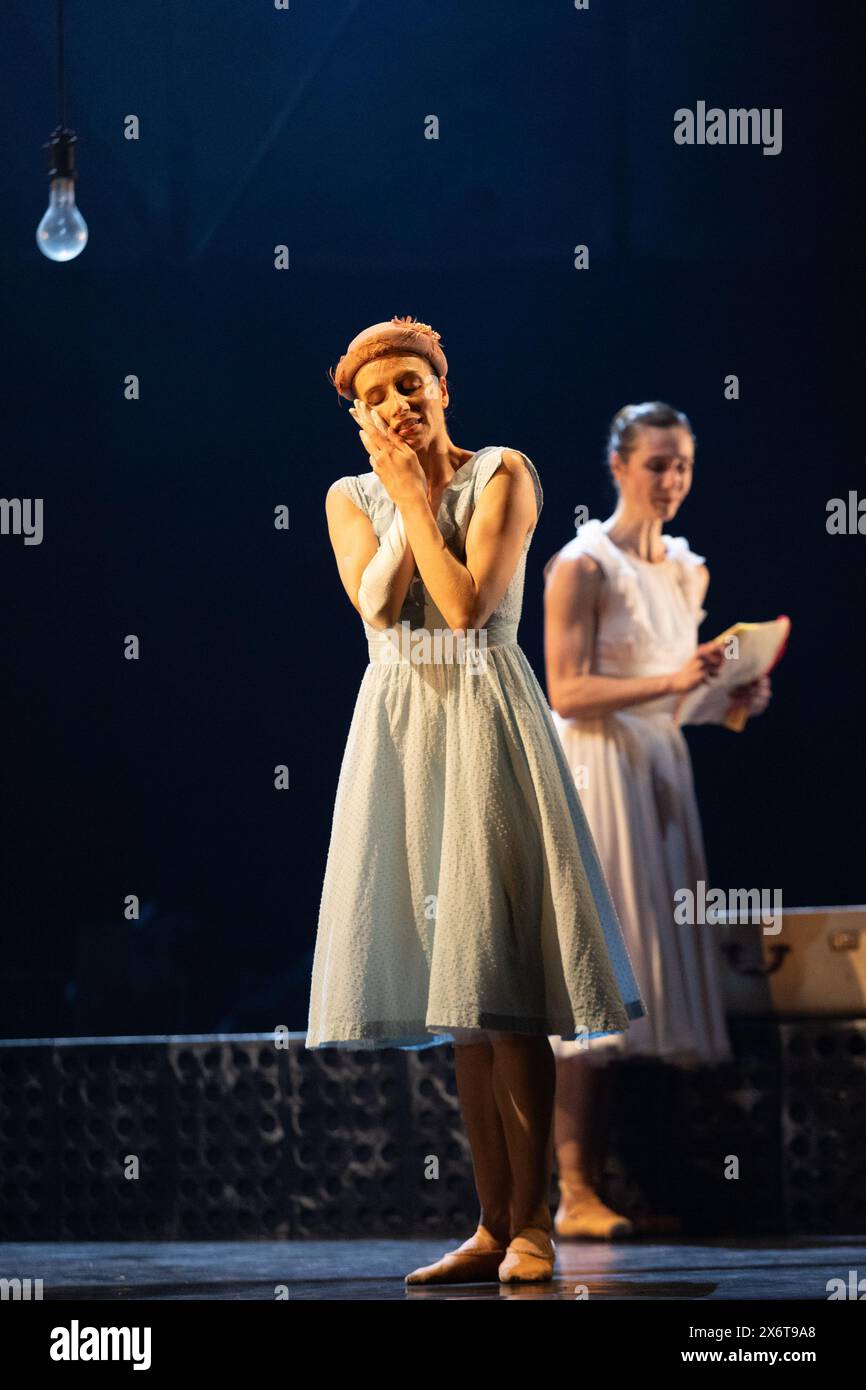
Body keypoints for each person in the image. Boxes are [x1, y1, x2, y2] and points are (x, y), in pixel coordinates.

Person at [306, 316, 646, 1284]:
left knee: (504, 989)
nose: (396, 405)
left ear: (441, 385)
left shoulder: (504, 472)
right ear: (357, 416)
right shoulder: (347, 496)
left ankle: (535, 1223)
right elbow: (376, 607)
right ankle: (492, 1222)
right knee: (458, 1000)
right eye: (374, 398)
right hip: (402, 728)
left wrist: (419, 494)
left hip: (485, 719)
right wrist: (402, 497)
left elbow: (462, 607)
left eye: (409, 385)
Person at [543, 401, 771, 1239]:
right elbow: (565, 692)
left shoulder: (686, 568)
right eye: (656, 464)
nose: (671, 480)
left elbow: (676, 695)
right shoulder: (583, 563)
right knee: (595, 985)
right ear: (618, 467)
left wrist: (725, 696)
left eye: (682, 464)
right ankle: (572, 1191)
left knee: (647, 988)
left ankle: (614, 1185)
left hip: (659, 776)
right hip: (598, 776)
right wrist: (679, 682)